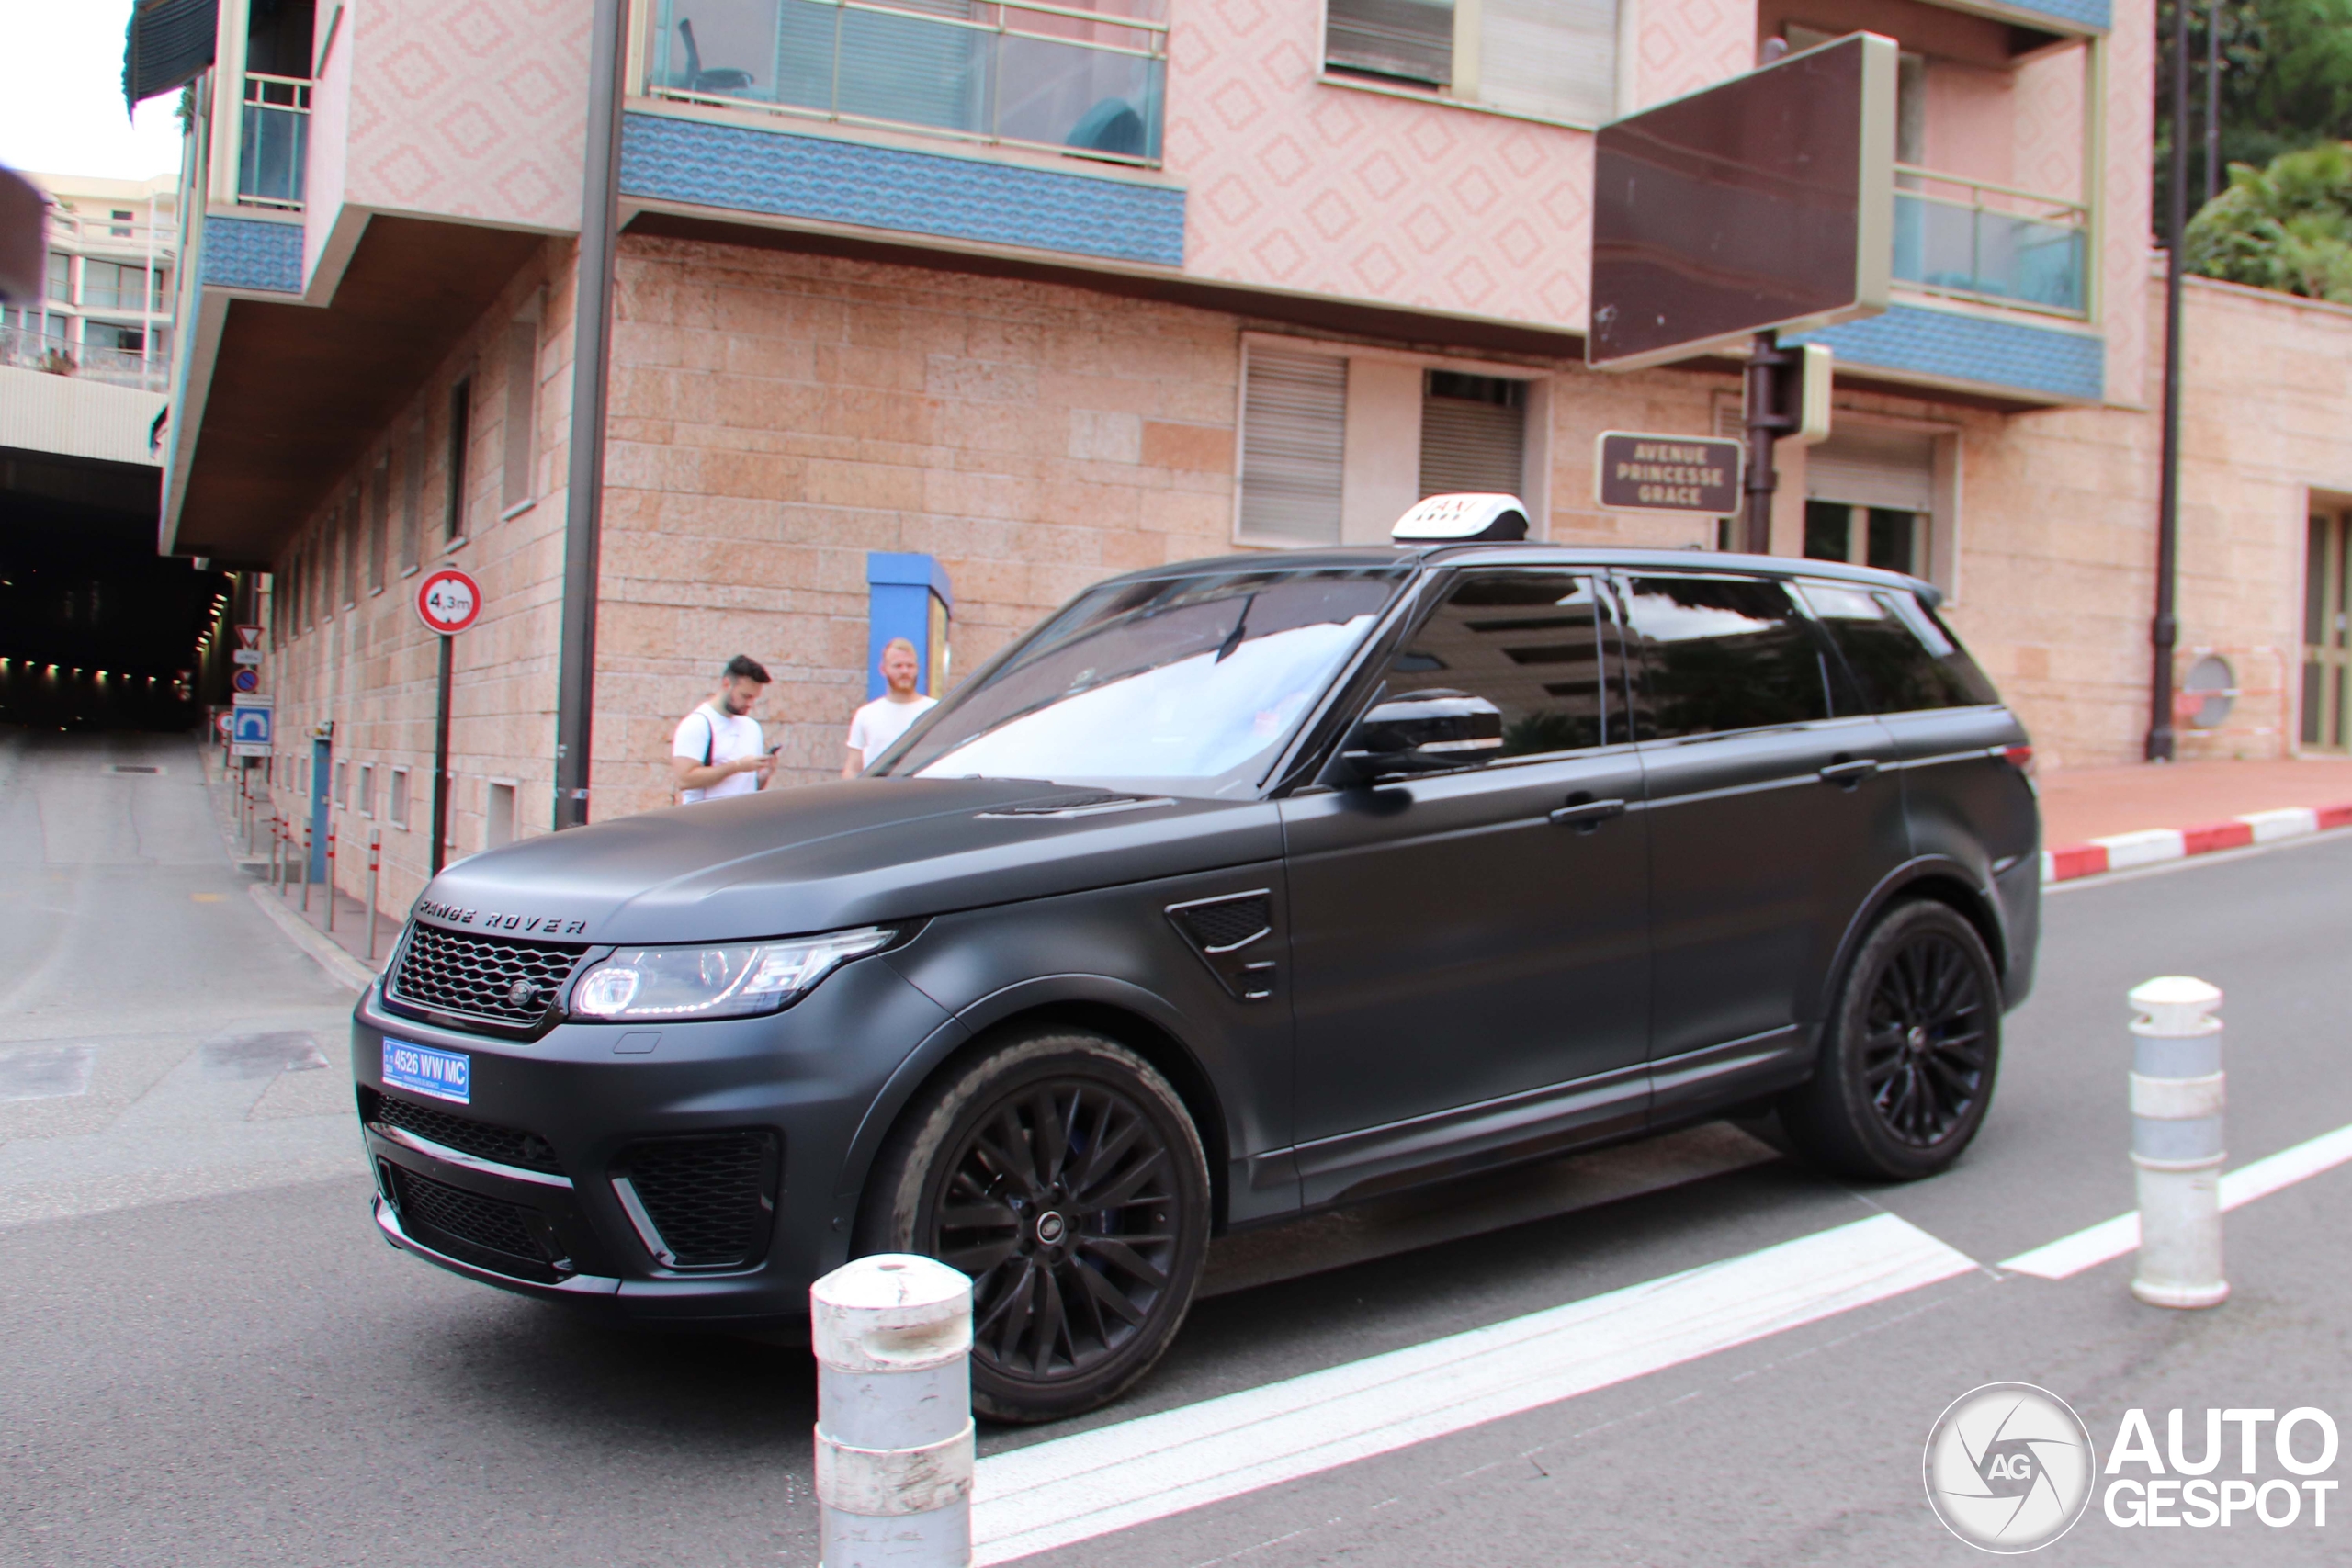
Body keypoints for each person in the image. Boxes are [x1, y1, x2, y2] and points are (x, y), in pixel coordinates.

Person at [672, 655, 776, 804]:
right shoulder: (698, 724)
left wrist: (763, 775)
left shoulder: (752, 727)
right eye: (745, 696)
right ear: (727, 684)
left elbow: (747, 788)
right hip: (705, 820)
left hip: (742, 819)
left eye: (754, 698)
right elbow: (685, 779)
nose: (750, 704)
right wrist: (737, 766)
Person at [842, 637, 938, 776]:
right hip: (878, 794)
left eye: (909, 666)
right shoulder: (866, 715)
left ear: (917, 669)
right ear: (883, 669)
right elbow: (853, 768)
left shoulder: (934, 711)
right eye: (897, 666)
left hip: (922, 793)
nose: (904, 671)